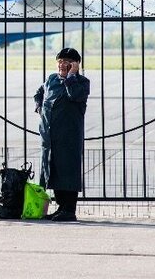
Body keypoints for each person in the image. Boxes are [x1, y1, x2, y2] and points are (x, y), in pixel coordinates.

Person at [33, 47, 90, 222]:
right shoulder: (51, 79)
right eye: (59, 61)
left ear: (75, 64)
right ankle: (60, 207)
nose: (61, 65)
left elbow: (74, 95)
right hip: (50, 136)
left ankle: (69, 209)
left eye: (66, 62)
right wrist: (39, 106)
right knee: (54, 172)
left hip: (69, 136)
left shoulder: (81, 82)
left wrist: (71, 77)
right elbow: (39, 93)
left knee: (68, 172)